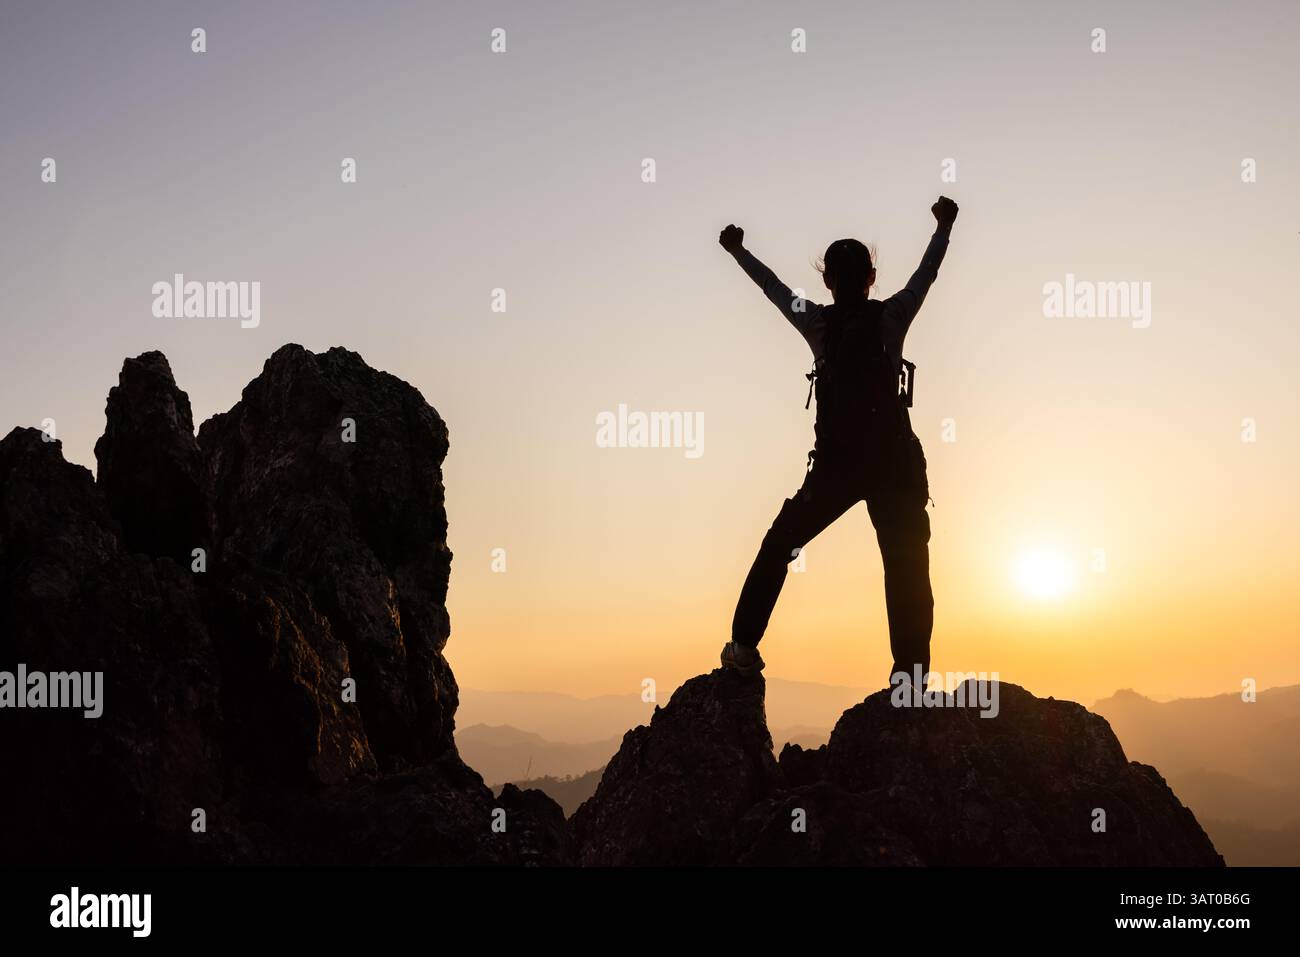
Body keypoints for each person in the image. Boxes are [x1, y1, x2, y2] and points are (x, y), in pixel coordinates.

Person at [717, 197, 958, 686]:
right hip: (893, 464)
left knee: (780, 545)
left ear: (828, 280)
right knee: (907, 568)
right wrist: (943, 226)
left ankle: (743, 649)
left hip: (836, 467)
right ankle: (909, 681)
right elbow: (925, 274)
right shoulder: (892, 316)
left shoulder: (818, 323)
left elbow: (774, 289)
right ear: (871, 277)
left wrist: (737, 251)